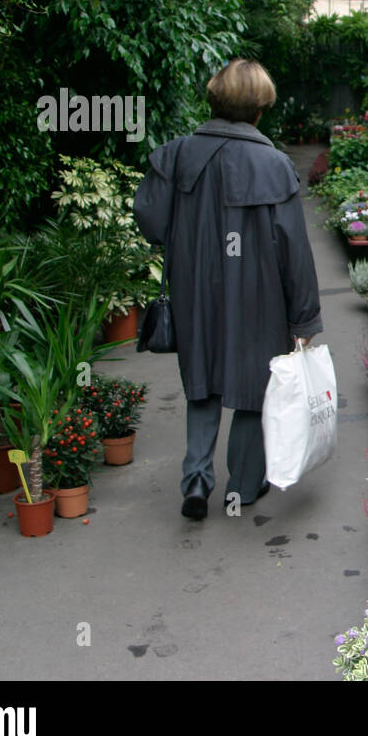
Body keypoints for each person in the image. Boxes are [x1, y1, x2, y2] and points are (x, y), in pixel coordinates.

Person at [134, 59, 322, 520]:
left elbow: (151, 221)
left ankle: (196, 481)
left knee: (201, 380)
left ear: (215, 99)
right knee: (253, 387)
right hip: (259, 297)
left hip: (194, 286)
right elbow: (293, 249)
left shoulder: (176, 154)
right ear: (260, 108)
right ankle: (241, 486)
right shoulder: (274, 165)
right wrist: (304, 318)